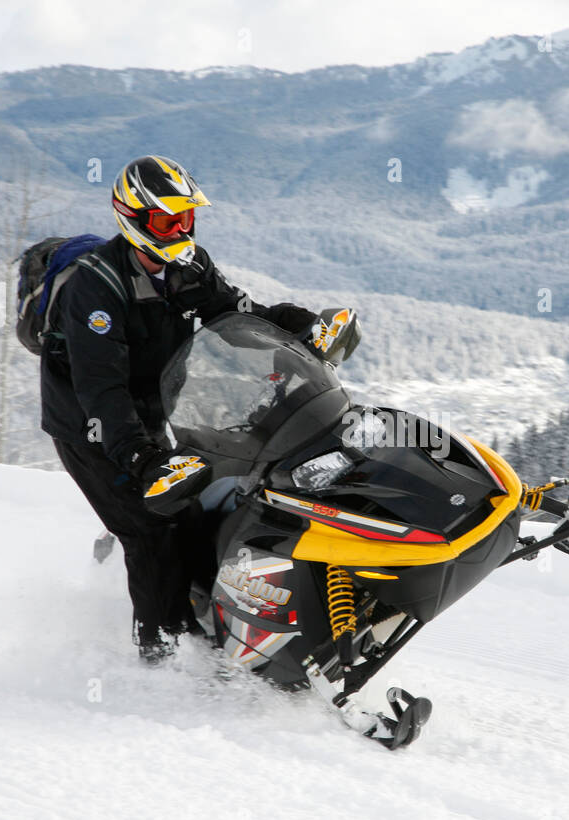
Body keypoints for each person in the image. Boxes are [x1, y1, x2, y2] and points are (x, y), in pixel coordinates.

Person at [39, 155, 359, 663]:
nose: (181, 229)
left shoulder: (189, 266)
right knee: (152, 527)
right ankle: (161, 657)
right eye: (169, 220)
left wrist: (293, 326)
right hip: (90, 426)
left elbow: (235, 314)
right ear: (134, 218)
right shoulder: (94, 291)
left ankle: (210, 628)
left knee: (196, 507)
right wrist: (142, 461)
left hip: (145, 413)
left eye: (187, 218)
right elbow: (101, 392)